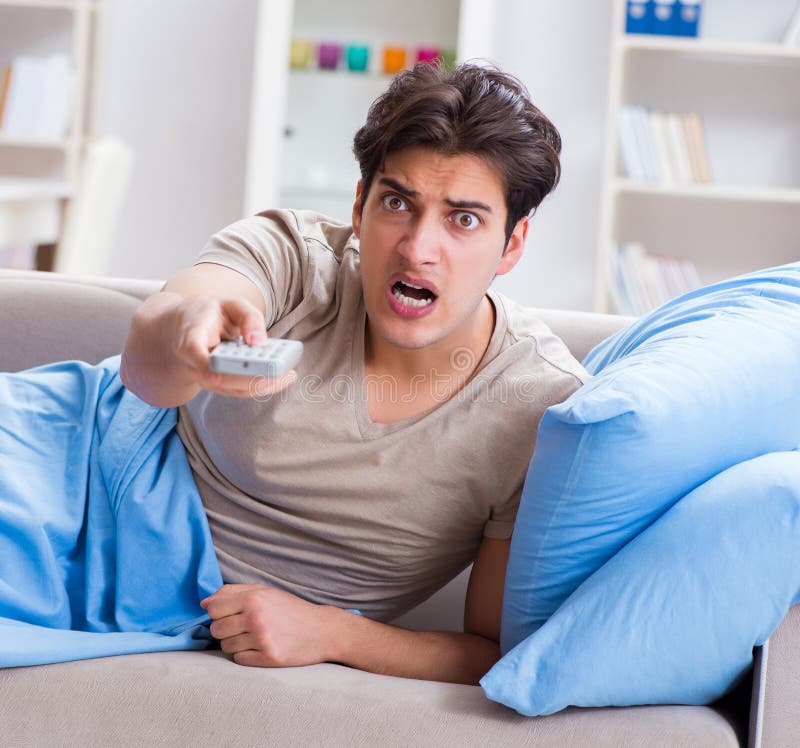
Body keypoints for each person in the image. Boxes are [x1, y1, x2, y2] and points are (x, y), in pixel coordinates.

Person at [120, 61, 586, 686]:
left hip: (173, 600)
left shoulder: (541, 409)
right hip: (85, 463)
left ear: (512, 244)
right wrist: (189, 327)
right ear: (361, 204)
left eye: (464, 219)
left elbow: (492, 649)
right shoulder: (292, 256)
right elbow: (148, 364)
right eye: (398, 202)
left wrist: (332, 631)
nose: (419, 248)